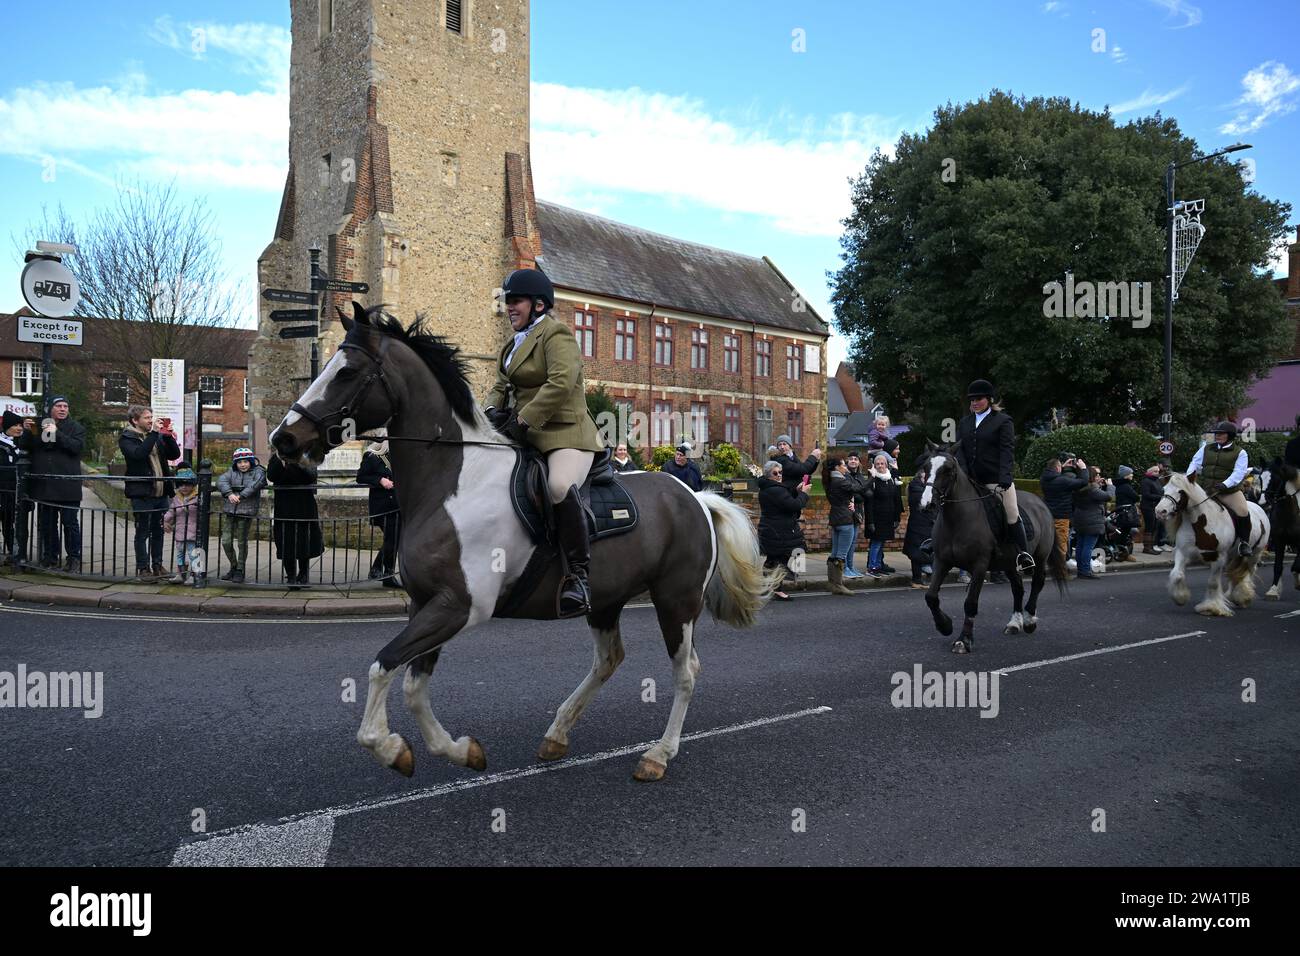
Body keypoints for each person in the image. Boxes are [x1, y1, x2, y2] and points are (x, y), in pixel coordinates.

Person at [484, 267, 604, 618]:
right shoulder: (511, 345)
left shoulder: (557, 334)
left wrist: (521, 419)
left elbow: (561, 383)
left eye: (516, 301)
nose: (509, 307)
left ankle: (579, 577)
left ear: (538, 305)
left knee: (557, 486)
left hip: (566, 433)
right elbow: (501, 385)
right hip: (526, 434)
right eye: (507, 302)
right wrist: (489, 411)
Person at [954, 379, 1033, 572]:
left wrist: (1005, 476)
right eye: (971, 399)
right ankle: (937, 543)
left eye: (978, 399)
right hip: (971, 480)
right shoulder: (965, 423)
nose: (974, 402)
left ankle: (1024, 554)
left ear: (989, 399)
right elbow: (960, 450)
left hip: (995, 480)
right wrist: (963, 472)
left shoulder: (1003, 421)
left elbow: (1007, 451)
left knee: (1012, 513)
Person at [16, 396, 84, 573]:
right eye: (58, 406)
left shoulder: (75, 427)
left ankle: (74, 558)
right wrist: (26, 431)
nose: (63, 409)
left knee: (69, 524)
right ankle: (50, 557)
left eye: (65, 406)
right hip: (45, 485)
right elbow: (25, 447)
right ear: (50, 409)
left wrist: (57, 432)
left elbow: (75, 447)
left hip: (68, 485)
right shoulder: (39, 426)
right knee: (47, 524)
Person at [119, 405, 181, 581]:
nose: (151, 420)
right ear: (135, 420)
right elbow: (138, 455)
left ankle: (157, 565)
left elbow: (174, 455)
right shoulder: (127, 438)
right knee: (143, 531)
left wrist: (168, 437)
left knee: (158, 530)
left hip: (161, 494)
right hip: (142, 493)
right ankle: (143, 568)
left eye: (151, 416)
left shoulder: (157, 436)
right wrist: (154, 434)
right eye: (147, 417)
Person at [1185, 421, 1252, 557]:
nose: (1217, 436)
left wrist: (1225, 484)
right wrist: (1188, 478)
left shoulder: (1240, 452)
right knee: (1186, 506)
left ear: (1230, 435)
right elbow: (1195, 463)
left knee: (1243, 511)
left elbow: (1239, 473)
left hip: (1228, 491)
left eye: (1221, 434)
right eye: (1216, 433)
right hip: (1206, 489)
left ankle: (1244, 543)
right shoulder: (1206, 448)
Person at [267, 453, 324, 590]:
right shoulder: (277, 457)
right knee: (287, 542)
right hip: (284, 506)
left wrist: (296, 460)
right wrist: (281, 460)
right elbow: (271, 476)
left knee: (305, 540)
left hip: (304, 505)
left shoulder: (306, 456)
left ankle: (304, 575)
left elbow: (311, 476)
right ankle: (291, 576)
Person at [757, 459, 809, 601]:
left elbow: (784, 502)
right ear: (768, 475)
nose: (779, 475)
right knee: (781, 559)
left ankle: (768, 587)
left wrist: (797, 491)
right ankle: (775, 589)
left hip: (773, 530)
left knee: (774, 559)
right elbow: (793, 505)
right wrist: (804, 494)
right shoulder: (774, 490)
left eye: (780, 472)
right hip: (778, 531)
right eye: (775, 473)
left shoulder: (769, 488)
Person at [356, 435, 402, 588]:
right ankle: (383, 572)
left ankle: (382, 572)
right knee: (392, 539)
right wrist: (380, 480)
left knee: (394, 539)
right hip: (382, 505)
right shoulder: (371, 457)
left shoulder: (397, 458)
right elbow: (360, 476)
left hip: (396, 504)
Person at [216, 448, 266, 584]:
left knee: (241, 542)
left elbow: (256, 484)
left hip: (246, 511)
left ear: (250, 461)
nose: (242, 465)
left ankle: (240, 569)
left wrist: (241, 495)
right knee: (226, 541)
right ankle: (233, 565)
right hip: (230, 510)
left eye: (245, 461)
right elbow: (221, 481)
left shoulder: (259, 471)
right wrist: (229, 493)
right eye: (239, 462)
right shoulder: (231, 471)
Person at [1040, 453, 1087, 562]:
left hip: (1048, 515)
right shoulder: (1062, 481)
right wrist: (1083, 468)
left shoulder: (1044, 479)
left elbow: (1057, 476)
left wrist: (1063, 466)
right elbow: (1083, 482)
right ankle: (1060, 569)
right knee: (1061, 543)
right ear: (1057, 468)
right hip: (1061, 516)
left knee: (1049, 542)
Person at [822, 455, 855, 595]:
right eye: (843, 465)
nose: (846, 467)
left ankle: (832, 583)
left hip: (836, 518)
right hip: (845, 520)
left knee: (834, 553)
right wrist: (873, 476)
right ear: (837, 467)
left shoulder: (829, 480)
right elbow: (860, 488)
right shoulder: (840, 481)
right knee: (841, 555)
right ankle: (838, 584)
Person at [1072, 468, 1114, 578]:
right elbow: (1108, 496)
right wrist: (1110, 486)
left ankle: (1081, 570)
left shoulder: (1080, 488)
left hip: (1080, 520)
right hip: (1092, 521)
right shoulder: (1092, 490)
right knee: (1088, 547)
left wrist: (1098, 485)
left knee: (1080, 546)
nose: (1099, 477)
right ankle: (1085, 571)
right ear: (1092, 477)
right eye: (1097, 475)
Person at [865, 452, 903, 576]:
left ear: (886, 465)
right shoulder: (873, 480)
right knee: (876, 543)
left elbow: (896, 497)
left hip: (888, 517)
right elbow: (869, 503)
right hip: (877, 518)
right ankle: (872, 567)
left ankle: (878, 565)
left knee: (881, 543)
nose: (880, 465)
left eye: (882, 463)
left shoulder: (890, 479)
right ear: (874, 466)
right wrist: (870, 521)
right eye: (877, 464)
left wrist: (896, 517)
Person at [163, 468, 201, 584]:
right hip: (180, 530)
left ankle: (195, 575)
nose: (184, 487)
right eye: (181, 484)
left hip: (192, 531)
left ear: (193, 485)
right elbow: (171, 511)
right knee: (180, 553)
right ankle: (181, 574)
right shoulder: (176, 498)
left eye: (187, 484)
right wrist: (165, 521)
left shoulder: (198, 497)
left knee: (193, 553)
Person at [903, 454, 936, 588]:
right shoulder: (915, 486)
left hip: (928, 525)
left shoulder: (923, 487)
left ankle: (927, 579)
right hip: (918, 525)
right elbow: (926, 502)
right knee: (916, 553)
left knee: (929, 552)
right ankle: (916, 580)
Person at [843, 452, 871, 577]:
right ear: (847, 462)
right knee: (847, 542)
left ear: (859, 462)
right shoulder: (845, 475)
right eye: (851, 459)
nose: (853, 461)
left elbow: (868, 494)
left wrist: (860, 493)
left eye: (855, 459)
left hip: (858, 512)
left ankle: (850, 566)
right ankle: (845, 568)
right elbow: (854, 493)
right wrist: (860, 493)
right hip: (848, 512)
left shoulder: (860, 476)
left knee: (853, 541)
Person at [0, 410, 23, 565]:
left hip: (13, 493)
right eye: (16, 425)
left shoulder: (18, 444)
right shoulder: (3, 446)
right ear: (7, 427)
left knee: (9, 524)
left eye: (20, 424)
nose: (19, 428)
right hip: (2, 491)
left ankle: (13, 554)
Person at [1113, 465, 1141, 561]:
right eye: (1130, 473)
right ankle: (1124, 554)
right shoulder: (1126, 486)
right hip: (1126, 513)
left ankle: (1123, 553)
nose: (1132, 475)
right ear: (1125, 476)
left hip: (1122, 512)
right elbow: (1136, 497)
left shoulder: (1120, 485)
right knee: (1125, 534)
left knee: (1124, 533)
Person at [1139, 465, 1166, 554]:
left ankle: (1151, 546)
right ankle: (1147, 548)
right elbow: (1146, 495)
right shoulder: (1146, 481)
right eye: (1155, 471)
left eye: (1158, 471)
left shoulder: (1157, 481)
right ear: (1150, 472)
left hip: (1155, 507)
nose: (1157, 473)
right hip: (1148, 507)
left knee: (1155, 526)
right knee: (1150, 526)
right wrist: (1160, 497)